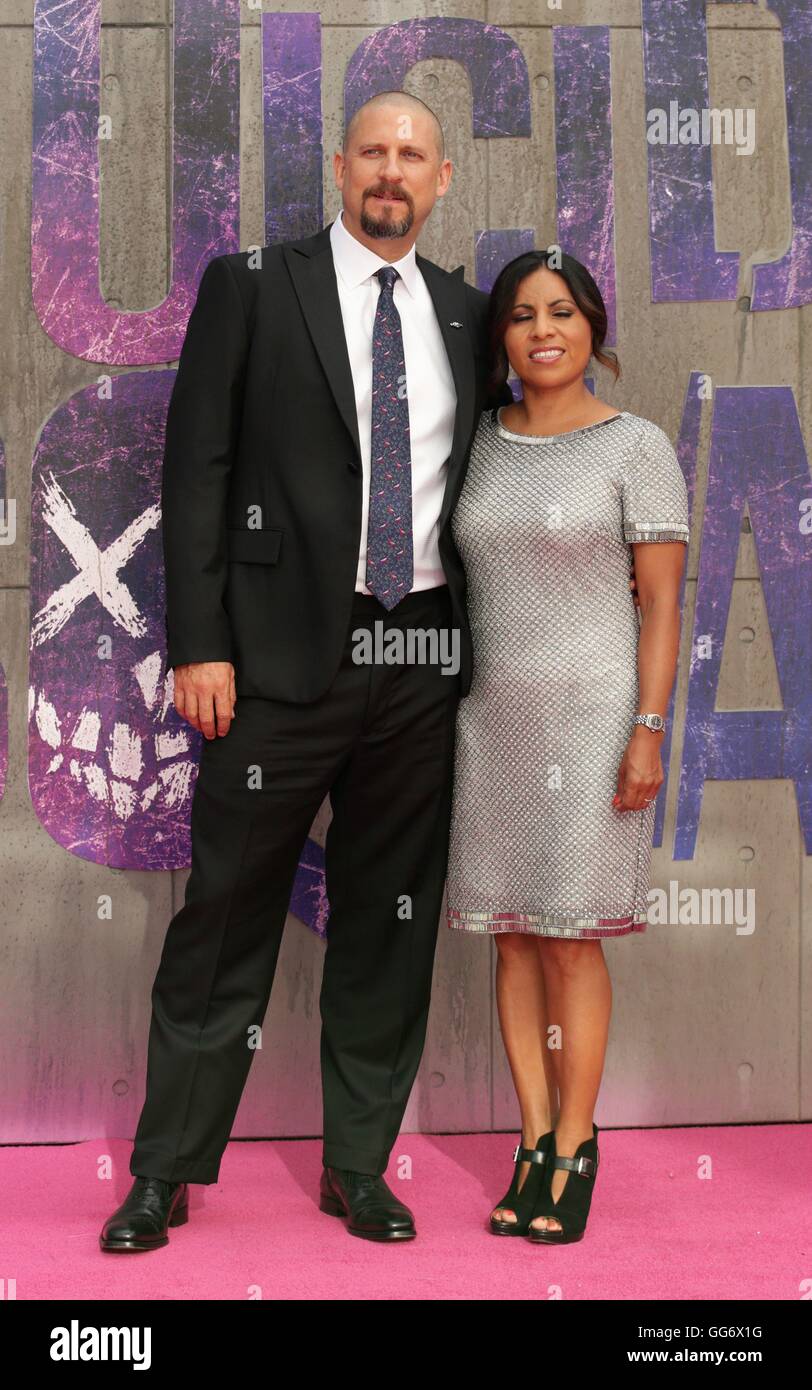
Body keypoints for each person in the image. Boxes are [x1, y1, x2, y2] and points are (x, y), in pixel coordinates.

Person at [99, 89, 513, 1252]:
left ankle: (358, 1168)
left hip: (418, 656)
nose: (390, 172)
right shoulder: (252, 285)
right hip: (275, 660)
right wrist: (198, 639)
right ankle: (164, 1171)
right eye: (372, 152)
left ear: (441, 181)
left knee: (390, 924)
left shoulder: (464, 316)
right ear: (340, 167)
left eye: (412, 156)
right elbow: (194, 469)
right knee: (225, 919)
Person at [444, 247, 690, 1243]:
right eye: (520, 315)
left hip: (595, 719)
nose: (541, 330)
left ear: (592, 326)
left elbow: (662, 606)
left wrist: (645, 730)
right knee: (510, 934)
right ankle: (531, 1139)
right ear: (498, 336)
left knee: (568, 937)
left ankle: (577, 1141)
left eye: (562, 311)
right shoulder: (479, 442)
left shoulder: (635, 445)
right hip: (492, 720)